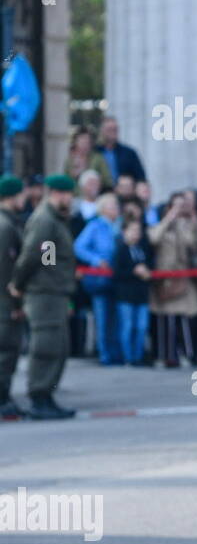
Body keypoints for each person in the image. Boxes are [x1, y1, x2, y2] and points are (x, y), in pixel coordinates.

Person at [7, 174, 80, 419]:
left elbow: (47, 257)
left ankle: (47, 395)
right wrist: (18, 283)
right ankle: (40, 397)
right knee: (46, 346)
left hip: (54, 292)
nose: (71, 199)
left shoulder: (55, 220)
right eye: (68, 194)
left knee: (58, 346)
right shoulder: (46, 220)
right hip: (44, 294)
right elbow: (34, 255)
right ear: (56, 194)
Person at [149, 191, 197, 367]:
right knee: (165, 320)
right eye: (176, 205)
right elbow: (154, 238)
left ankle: (186, 354)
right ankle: (165, 356)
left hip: (182, 278)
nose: (180, 209)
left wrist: (188, 222)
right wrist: (170, 217)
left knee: (185, 318)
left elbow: (192, 244)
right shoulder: (160, 224)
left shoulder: (185, 225)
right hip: (165, 280)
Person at [73, 192, 123, 366]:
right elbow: (79, 247)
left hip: (119, 277)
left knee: (117, 317)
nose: (116, 209)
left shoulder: (120, 225)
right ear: (103, 209)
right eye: (112, 206)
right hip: (100, 279)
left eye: (116, 205)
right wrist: (96, 260)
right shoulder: (94, 226)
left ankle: (118, 352)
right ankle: (105, 353)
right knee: (102, 316)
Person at [112, 216, 154, 367]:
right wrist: (134, 271)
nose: (136, 233)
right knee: (127, 327)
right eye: (132, 230)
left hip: (141, 295)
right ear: (124, 232)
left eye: (138, 230)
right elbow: (117, 273)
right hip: (125, 296)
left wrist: (148, 273)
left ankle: (138, 356)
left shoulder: (142, 249)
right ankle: (128, 357)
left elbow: (150, 266)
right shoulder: (121, 250)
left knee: (142, 326)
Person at [0, 175, 26, 418]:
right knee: (6, 351)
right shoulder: (6, 226)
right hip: (6, 301)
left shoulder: (13, 222)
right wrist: (16, 300)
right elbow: (7, 269)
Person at [95, 115, 148, 183]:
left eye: (115, 130)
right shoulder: (95, 152)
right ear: (102, 131)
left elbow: (141, 178)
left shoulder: (129, 153)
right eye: (109, 130)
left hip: (125, 192)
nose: (112, 133)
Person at [62, 126, 112, 193]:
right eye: (81, 141)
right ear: (75, 142)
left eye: (87, 141)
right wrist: (73, 175)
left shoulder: (98, 158)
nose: (84, 145)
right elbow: (64, 183)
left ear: (91, 143)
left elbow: (108, 181)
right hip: (74, 197)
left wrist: (95, 179)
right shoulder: (69, 161)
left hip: (94, 198)